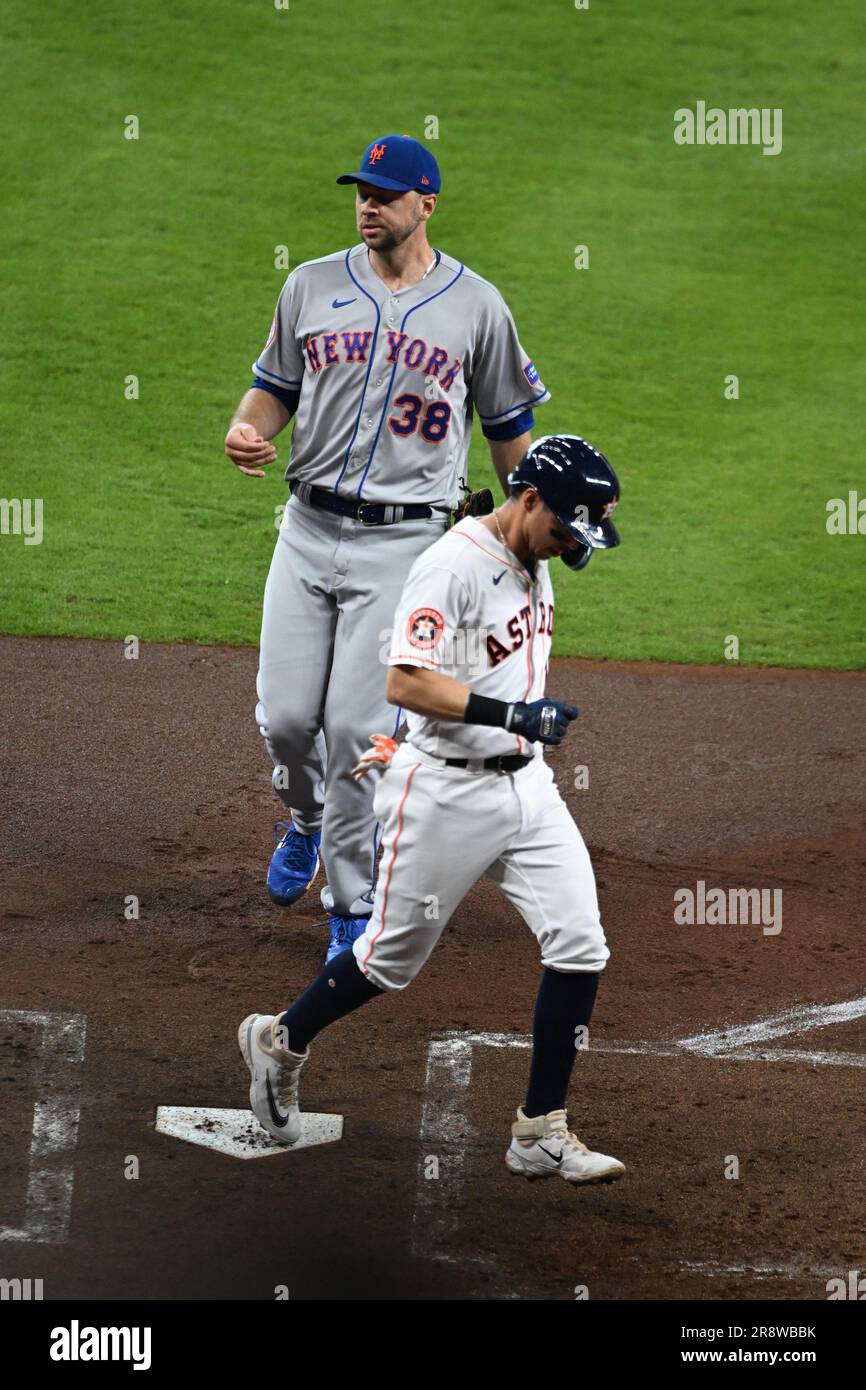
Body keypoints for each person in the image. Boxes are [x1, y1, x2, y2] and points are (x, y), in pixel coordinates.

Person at [238, 436, 627, 1184]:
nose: (573, 549)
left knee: (581, 944)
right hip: (447, 789)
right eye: (567, 530)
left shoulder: (532, 554)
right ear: (531, 500)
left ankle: (539, 1130)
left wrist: (519, 734)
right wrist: (513, 716)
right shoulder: (449, 568)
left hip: (528, 788)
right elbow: (405, 683)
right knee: (388, 961)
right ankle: (279, 1040)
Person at [224, 135, 552, 963]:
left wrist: (523, 540)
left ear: (426, 202)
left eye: (384, 193)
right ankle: (303, 821)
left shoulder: (477, 306)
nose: (367, 205)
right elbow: (274, 390)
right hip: (304, 530)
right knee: (287, 722)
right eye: (359, 193)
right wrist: (245, 427)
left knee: (353, 734)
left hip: (405, 545)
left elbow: (511, 430)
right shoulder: (310, 286)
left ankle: (349, 904)